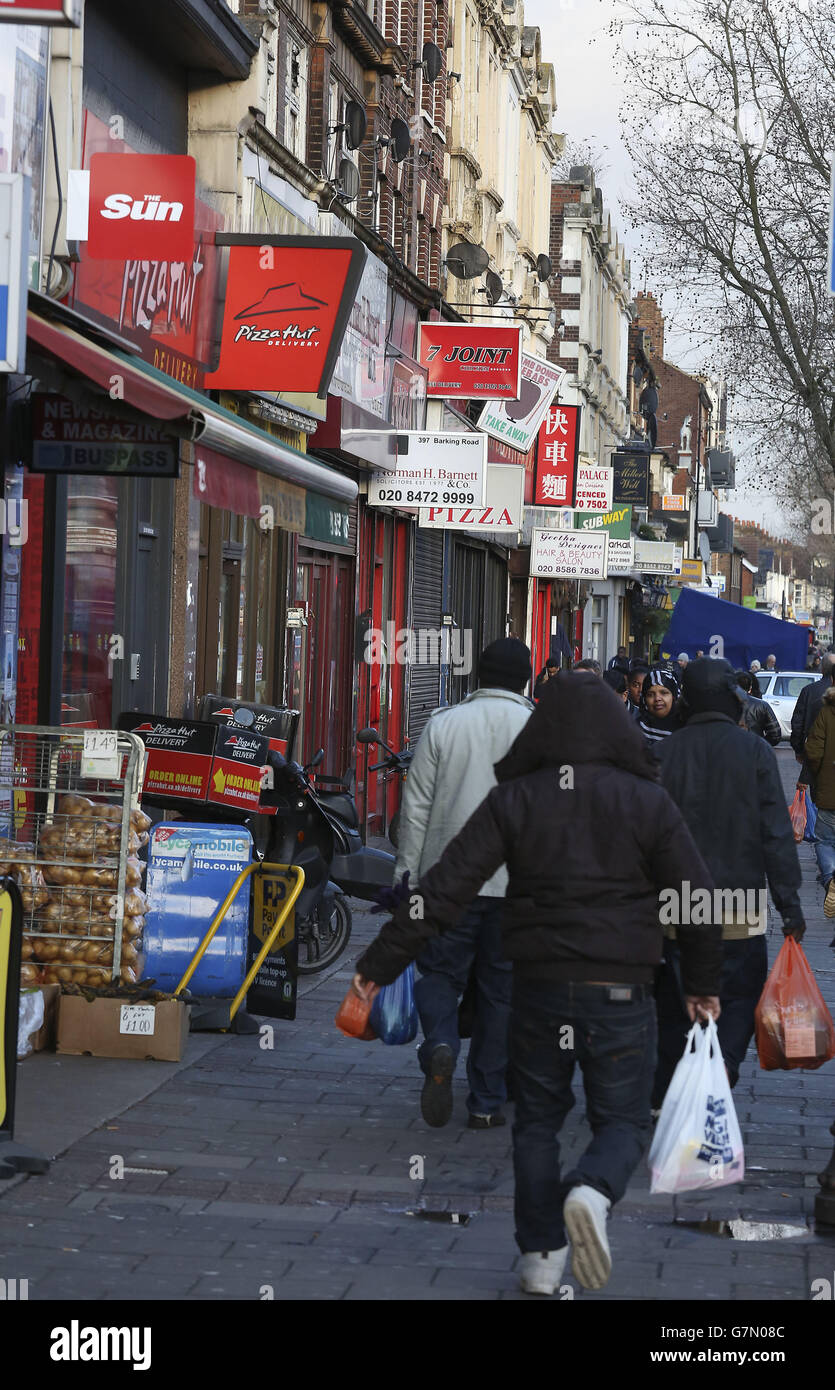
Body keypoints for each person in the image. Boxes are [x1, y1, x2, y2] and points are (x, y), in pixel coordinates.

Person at [352, 674, 721, 1295]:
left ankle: (541, 1259)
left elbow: (443, 892)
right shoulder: (646, 801)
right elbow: (697, 896)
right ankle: (592, 1190)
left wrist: (376, 967)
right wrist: (702, 982)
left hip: (540, 990)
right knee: (624, 1122)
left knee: (538, 1123)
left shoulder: (517, 800)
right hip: (623, 990)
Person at [392, 637, 534, 1130]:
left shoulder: (443, 724)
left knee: (439, 976)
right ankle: (486, 1101)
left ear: (478, 677)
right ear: (526, 679)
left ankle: (442, 1043)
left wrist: (405, 878)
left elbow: (415, 810)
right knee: (501, 991)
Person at [653, 658, 805, 1103]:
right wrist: (789, 903)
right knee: (738, 995)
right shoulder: (753, 752)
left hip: (676, 904)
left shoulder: (665, 753)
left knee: (675, 999)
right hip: (739, 901)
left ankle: (673, 1088)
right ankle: (726, 1061)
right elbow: (775, 830)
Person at [804, 684, 835, 919]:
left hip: (829, 791)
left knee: (824, 841)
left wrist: (820, 773)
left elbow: (813, 751)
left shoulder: (827, 711)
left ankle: (830, 876)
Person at [791, 652, 835, 793]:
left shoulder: (809, 691)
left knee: (820, 803)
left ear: (822, 669)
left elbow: (798, 723)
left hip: (817, 760)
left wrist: (798, 749)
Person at [637, 667, 684, 743]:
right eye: (650, 694)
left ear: (674, 697)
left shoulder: (685, 729)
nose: (657, 699)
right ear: (644, 699)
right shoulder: (636, 729)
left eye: (664, 693)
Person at [735, 670, 782, 746]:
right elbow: (775, 735)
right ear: (750, 688)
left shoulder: (724, 705)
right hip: (754, 751)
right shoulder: (762, 705)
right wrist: (760, 745)